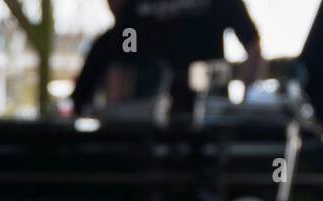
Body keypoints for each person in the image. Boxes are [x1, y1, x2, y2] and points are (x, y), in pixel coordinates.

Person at [74, 0, 263, 117]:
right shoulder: (135, 8)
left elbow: (252, 44)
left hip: (208, 117)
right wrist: (119, 113)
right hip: (149, 124)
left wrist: (242, 104)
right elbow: (116, 56)